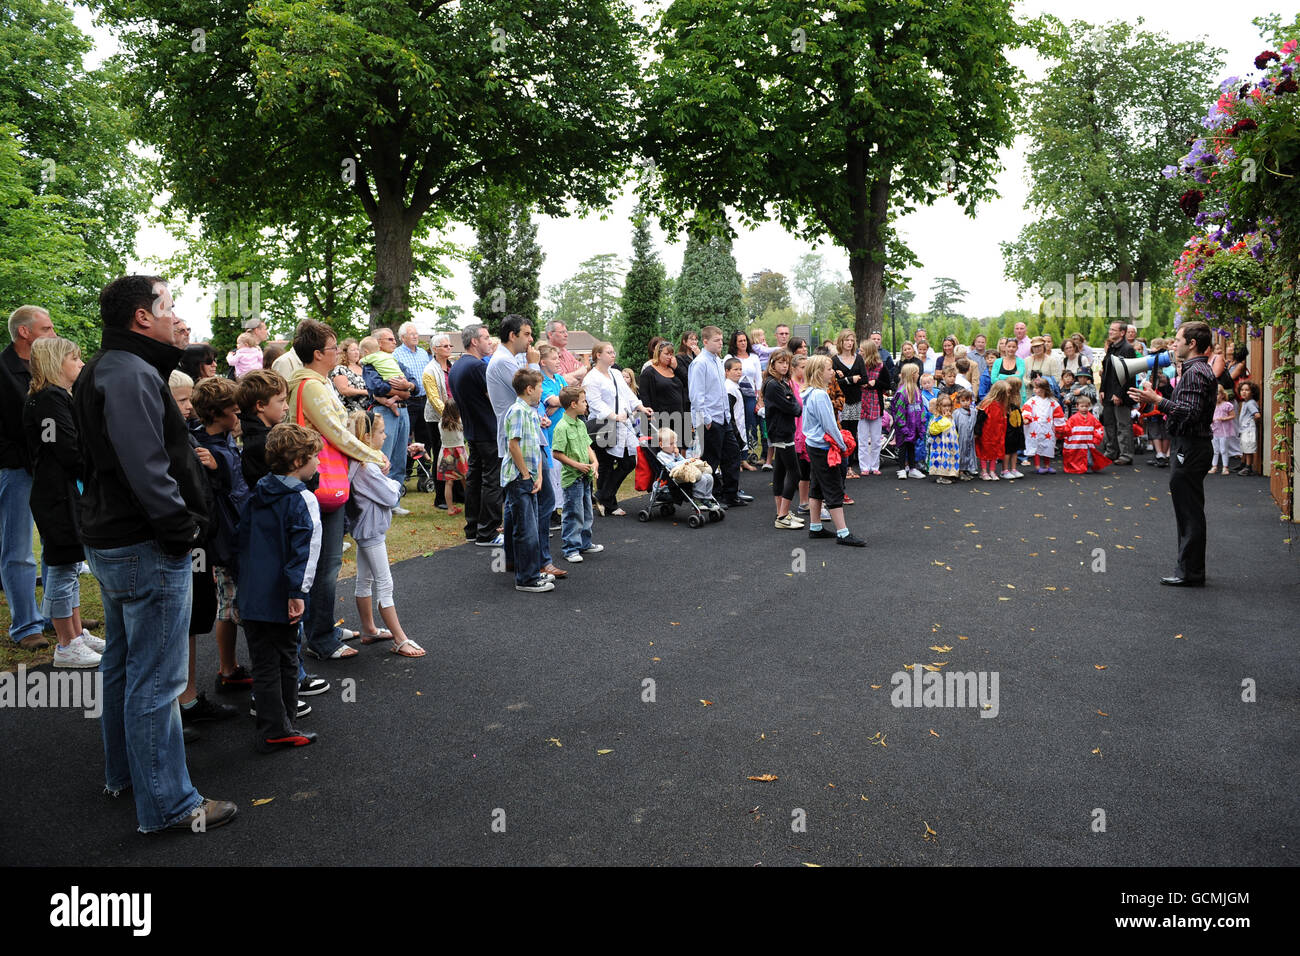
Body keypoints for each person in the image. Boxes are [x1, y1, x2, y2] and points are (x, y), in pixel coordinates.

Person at [74, 275, 236, 832]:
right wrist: (181, 528)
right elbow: (145, 466)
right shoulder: (129, 373)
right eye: (168, 306)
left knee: (123, 666)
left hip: (118, 540)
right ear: (142, 317)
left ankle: (128, 776)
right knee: (156, 680)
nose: (176, 315)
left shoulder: (111, 367)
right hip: (144, 545)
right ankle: (169, 803)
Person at [286, 318, 388, 660]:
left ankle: (322, 624)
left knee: (327, 561)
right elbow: (336, 432)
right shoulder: (312, 386)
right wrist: (372, 453)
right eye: (333, 349)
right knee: (326, 564)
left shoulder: (316, 381)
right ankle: (320, 637)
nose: (338, 354)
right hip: (321, 482)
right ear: (318, 353)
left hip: (323, 478)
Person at [237, 422, 322, 752]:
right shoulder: (303, 500)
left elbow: (241, 541)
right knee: (286, 656)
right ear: (298, 460)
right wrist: (297, 593)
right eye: (314, 456)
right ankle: (282, 725)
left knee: (263, 661)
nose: (317, 462)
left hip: (253, 593)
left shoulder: (258, 492)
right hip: (282, 595)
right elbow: (305, 552)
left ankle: (277, 723)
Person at [23, 337, 101, 667]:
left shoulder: (47, 398)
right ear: (57, 363)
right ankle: (66, 643)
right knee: (60, 567)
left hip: (59, 492)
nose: (80, 365)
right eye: (74, 358)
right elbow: (66, 449)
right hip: (56, 495)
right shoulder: (49, 400)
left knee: (68, 564)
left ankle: (75, 635)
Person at [1128, 322, 1216, 586]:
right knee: (1190, 511)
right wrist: (1155, 400)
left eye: (1178, 340)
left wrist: (1157, 400)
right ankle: (1190, 570)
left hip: (1189, 448)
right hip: (1191, 446)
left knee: (1188, 513)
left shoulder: (1195, 372)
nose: (1173, 344)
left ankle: (1190, 573)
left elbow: (1188, 413)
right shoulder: (1197, 369)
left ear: (1192, 343)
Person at [190, 376, 256, 700]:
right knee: (232, 604)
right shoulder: (202, 449)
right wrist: (217, 470)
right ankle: (228, 670)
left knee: (230, 605)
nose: (239, 417)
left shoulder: (226, 441)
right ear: (217, 414)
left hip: (238, 533)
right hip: (225, 542)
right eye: (234, 411)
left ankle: (229, 668)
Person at [344, 409, 424, 656]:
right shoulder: (366, 468)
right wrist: (391, 480)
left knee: (365, 579)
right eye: (380, 432)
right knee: (385, 583)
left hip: (366, 528)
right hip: (370, 531)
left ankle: (369, 629)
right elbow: (390, 495)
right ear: (366, 436)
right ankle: (400, 639)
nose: (386, 435)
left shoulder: (361, 463)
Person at [1, 305, 57, 650]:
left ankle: (56, 613)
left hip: (50, 468)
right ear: (25, 332)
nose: (53, 334)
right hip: (16, 470)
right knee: (18, 550)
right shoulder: (2, 370)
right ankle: (25, 626)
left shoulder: (46, 366)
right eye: (47, 329)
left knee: (57, 542)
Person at [800, 356, 864, 546]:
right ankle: (843, 533)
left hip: (814, 444)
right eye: (829, 369)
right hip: (823, 447)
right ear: (819, 372)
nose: (832, 372)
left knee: (818, 485)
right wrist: (842, 445)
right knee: (834, 486)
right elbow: (829, 424)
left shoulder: (810, 392)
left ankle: (816, 527)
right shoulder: (820, 395)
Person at [449, 323, 502, 546]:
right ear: (474, 341)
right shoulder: (478, 367)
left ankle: (473, 528)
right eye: (486, 337)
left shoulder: (457, 366)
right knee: (492, 481)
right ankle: (487, 531)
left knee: (475, 479)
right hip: (488, 431)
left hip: (473, 430)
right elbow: (494, 397)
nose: (490, 341)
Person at [586, 340, 653, 516]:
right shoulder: (591, 378)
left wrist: (640, 407)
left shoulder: (615, 373)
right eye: (609, 352)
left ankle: (602, 495)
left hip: (622, 425)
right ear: (598, 355)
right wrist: (613, 415)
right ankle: (610, 504)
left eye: (613, 352)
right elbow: (595, 403)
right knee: (606, 464)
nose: (613, 354)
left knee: (629, 461)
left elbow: (627, 394)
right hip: (603, 425)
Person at [501, 368, 553, 593]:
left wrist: (539, 475)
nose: (542, 390)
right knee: (527, 530)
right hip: (519, 477)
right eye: (540, 387)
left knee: (526, 527)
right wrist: (524, 474)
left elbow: (536, 446)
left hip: (531, 476)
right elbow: (514, 445)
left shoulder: (531, 411)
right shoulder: (517, 411)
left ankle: (528, 571)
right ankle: (526, 579)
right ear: (529, 389)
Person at [689, 326, 747, 508]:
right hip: (710, 420)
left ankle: (730, 494)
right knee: (710, 461)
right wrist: (706, 420)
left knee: (732, 455)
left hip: (722, 418)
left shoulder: (717, 361)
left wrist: (727, 415)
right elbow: (696, 395)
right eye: (716, 340)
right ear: (705, 342)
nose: (720, 343)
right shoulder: (700, 363)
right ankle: (710, 496)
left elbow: (720, 391)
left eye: (721, 340)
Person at [551, 386, 604, 563]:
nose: (586, 404)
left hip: (585, 477)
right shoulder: (562, 426)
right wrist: (577, 465)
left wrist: (594, 462)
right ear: (573, 404)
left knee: (587, 512)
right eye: (583, 401)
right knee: (573, 513)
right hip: (572, 478)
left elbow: (588, 446)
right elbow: (557, 453)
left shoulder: (581, 423)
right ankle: (570, 548)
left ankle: (585, 543)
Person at [361, 329, 414, 482]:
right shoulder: (371, 363)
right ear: (379, 343)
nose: (395, 342)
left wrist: (408, 385)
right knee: (384, 459)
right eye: (390, 339)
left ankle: (394, 502)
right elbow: (376, 387)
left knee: (400, 460)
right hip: (384, 412)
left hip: (403, 411)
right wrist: (403, 392)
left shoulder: (395, 361)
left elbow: (414, 384)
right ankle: (382, 502)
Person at [761, 349, 802, 528]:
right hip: (781, 432)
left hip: (782, 431)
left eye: (786, 363)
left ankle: (781, 512)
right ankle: (783, 515)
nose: (784, 366)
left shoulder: (780, 382)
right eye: (780, 362)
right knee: (795, 473)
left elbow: (792, 403)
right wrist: (792, 402)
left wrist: (791, 401)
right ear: (772, 364)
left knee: (780, 471)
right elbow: (794, 408)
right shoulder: (774, 385)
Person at [394, 322, 431, 482]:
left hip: (425, 400)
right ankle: (406, 471)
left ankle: (424, 474)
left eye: (416, 333)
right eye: (411, 334)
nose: (416, 336)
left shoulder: (423, 353)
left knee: (425, 437)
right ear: (403, 338)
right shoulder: (396, 354)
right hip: (408, 402)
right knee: (406, 438)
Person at [421, 332, 455, 508]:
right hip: (437, 419)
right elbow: (434, 399)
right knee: (440, 455)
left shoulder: (452, 366)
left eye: (450, 346)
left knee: (456, 453)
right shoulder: (429, 370)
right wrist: (450, 416)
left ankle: (455, 492)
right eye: (445, 346)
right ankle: (440, 497)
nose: (449, 348)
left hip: (455, 417)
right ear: (435, 349)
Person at [1099, 321, 1137, 465]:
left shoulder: (1127, 349)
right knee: (1109, 423)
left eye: (1113, 330)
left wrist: (1119, 394)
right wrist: (1102, 389)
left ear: (1122, 332)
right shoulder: (1112, 348)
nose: (1110, 332)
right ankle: (1111, 451)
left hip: (1119, 394)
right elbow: (1106, 371)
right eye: (1110, 329)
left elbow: (1127, 374)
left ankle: (1126, 454)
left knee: (1123, 425)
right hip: (1108, 392)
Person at [639, 339, 687, 445]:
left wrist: (677, 368)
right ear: (658, 353)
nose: (669, 357)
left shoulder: (673, 369)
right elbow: (644, 395)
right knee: (665, 450)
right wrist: (650, 415)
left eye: (671, 354)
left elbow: (687, 382)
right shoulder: (649, 372)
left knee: (678, 449)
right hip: (662, 418)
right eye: (666, 354)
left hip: (679, 416)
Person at [830, 330, 865, 478]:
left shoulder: (858, 359)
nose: (849, 343)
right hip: (841, 401)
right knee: (841, 433)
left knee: (852, 433)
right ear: (841, 342)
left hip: (856, 400)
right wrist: (850, 380)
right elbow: (832, 381)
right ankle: (841, 466)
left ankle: (850, 466)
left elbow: (864, 379)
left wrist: (847, 379)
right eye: (846, 340)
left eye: (852, 340)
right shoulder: (834, 360)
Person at [726, 330, 763, 464]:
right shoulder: (730, 357)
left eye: (744, 340)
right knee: (737, 423)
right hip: (735, 394)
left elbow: (758, 378)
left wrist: (759, 397)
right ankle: (738, 456)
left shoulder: (754, 357)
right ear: (735, 343)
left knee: (751, 424)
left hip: (751, 396)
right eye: (740, 341)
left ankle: (750, 454)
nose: (743, 343)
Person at [856, 339, 890, 476]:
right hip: (861, 403)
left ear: (868, 351)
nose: (859, 351)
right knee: (862, 438)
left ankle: (875, 465)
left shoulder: (881, 366)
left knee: (876, 438)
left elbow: (888, 384)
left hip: (875, 404)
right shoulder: (857, 365)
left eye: (861, 350)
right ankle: (864, 466)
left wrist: (875, 383)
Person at [891, 364, 927, 480]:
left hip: (914, 425)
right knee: (902, 446)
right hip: (904, 427)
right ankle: (902, 469)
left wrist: (921, 422)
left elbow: (921, 407)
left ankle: (912, 468)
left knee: (912, 446)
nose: (918, 375)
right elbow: (899, 411)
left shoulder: (917, 391)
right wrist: (903, 426)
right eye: (916, 373)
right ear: (912, 375)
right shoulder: (902, 392)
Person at [1023, 377, 1064, 474]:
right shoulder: (1032, 400)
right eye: (1034, 388)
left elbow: (1058, 415)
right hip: (1035, 428)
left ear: (1044, 389)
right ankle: (1037, 466)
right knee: (1036, 446)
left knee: (1048, 446)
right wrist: (1026, 417)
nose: (1035, 390)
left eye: (1037, 388)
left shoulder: (1053, 402)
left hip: (1048, 428)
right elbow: (1026, 409)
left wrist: (1059, 427)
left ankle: (1047, 465)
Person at [1061, 394, 1110, 474]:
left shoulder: (1092, 418)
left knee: (1088, 457)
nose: (1084, 408)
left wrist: (1096, 438)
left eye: (1086, 406)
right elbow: (1068, 428)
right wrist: (1064, 434)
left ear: (1089, 406)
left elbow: (1098, 428)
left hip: (1088, 443)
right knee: (1076, 456)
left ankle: (1088, 467)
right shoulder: (1073, 418)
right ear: (1077, 406)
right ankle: (1078, 467)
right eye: (1082, 406)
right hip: (1077, 443)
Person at [975, 379, 1012, 481]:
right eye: (1007, 392)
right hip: (986, 432)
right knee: (984, 451)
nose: (1009, 395)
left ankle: (992, 470)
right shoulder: (987, 403)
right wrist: (977, 432)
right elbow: (980, 419)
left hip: (997, 433)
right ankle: (984, 471)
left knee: (994, 451)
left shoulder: (1003, 405)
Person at [437, 400, 469, 514]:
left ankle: (450, 508)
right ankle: (470, 506)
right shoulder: (460, 422)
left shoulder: (441, 423)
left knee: (448, 483)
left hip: (446, 453)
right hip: (459, 453)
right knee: (465, 481)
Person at [927, 394, 960, 484]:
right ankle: (941, 476)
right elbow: (933, 430)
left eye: (949, 405)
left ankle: (949, 474)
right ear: (939, 406)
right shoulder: (937, 417)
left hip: (951, 443)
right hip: (940, 445)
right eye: (944, 406)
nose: (947, 408)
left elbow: (953, 429)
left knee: (951, 458)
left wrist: (956, 439)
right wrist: (945, 419)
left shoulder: (951, 416)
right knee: (942, 459)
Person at [331, 339, 370, 415]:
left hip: (369, 410)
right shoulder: (340, 369)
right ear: (345, 353)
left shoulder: (363, 367)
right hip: (351, 412)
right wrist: (365, 392)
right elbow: (344, 390)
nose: (356, 352)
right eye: (353, 350)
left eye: (357, 350)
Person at [546, 320, 589, 385]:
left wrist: (570, 376)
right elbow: (564, 381)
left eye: (566, 332)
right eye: (562, 332)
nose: (566, 335)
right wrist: (577, 377)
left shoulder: (567, 353)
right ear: (550, 334)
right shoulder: (545, 356)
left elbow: (583, 370)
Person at [1235, 381, 1262, 476]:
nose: (1244, 392)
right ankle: (1243, 464)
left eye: (1247, 390)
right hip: (1244, 429)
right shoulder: (1245, 402)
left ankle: (1248, 467)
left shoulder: (1251, 403)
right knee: (1244, 447)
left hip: (1248, 430)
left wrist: (1250, 422)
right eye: (1242, 390)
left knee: (1248, 448)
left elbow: (1257, 415)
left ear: (1252, 392)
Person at [951, 388, 978, 480]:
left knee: (969, 452)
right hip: (961, 437)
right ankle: (960, 470)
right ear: (959, 401)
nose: (966, 403)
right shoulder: (957, 413)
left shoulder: (974, 411)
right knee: (962, 452)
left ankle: (967, 468)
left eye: (967, 400)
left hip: (970, 436)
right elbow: (954, 426)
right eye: (963, 401)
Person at [1210, 386, 1237, 476]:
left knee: (1224, 449)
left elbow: (1233, 415)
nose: (1215, 396)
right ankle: (1214, 465)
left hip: (1224, 430)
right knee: (1215, 449)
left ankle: (1225, 467)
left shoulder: (1227, 405)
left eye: (1217, 394)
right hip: (1214, 430)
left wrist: (1224, 418)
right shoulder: (1212, 405)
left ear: (1222, 395)